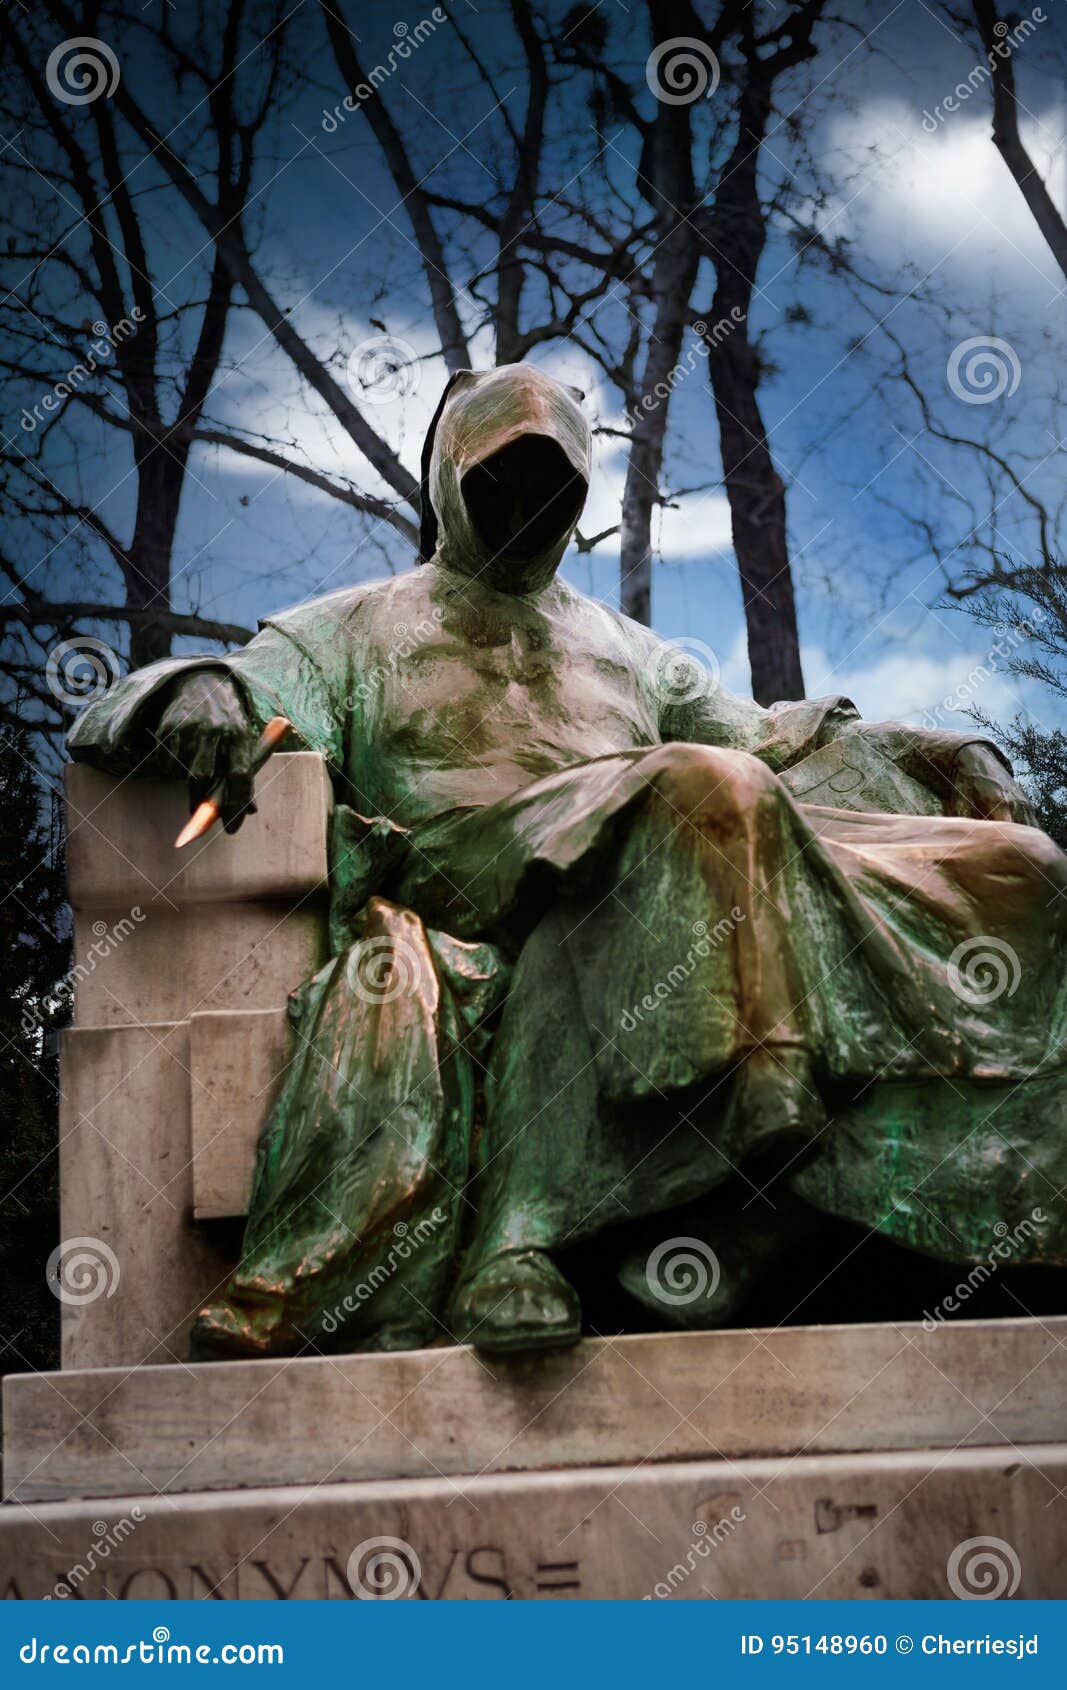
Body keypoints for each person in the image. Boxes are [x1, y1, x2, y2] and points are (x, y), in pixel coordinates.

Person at [69, 364, 1067, 1358]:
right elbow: (236, 689)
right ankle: (763, 1088)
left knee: (1018, 868)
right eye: (495, 480)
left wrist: (932, 752)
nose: (519, 505)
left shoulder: (631, 651)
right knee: (695, 783)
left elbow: (775, 741)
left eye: (548, 487)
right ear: (446, 483)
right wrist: (191, 690)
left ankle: (760, 1201)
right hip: (459, 870)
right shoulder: (347, 627)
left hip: (642, 877)